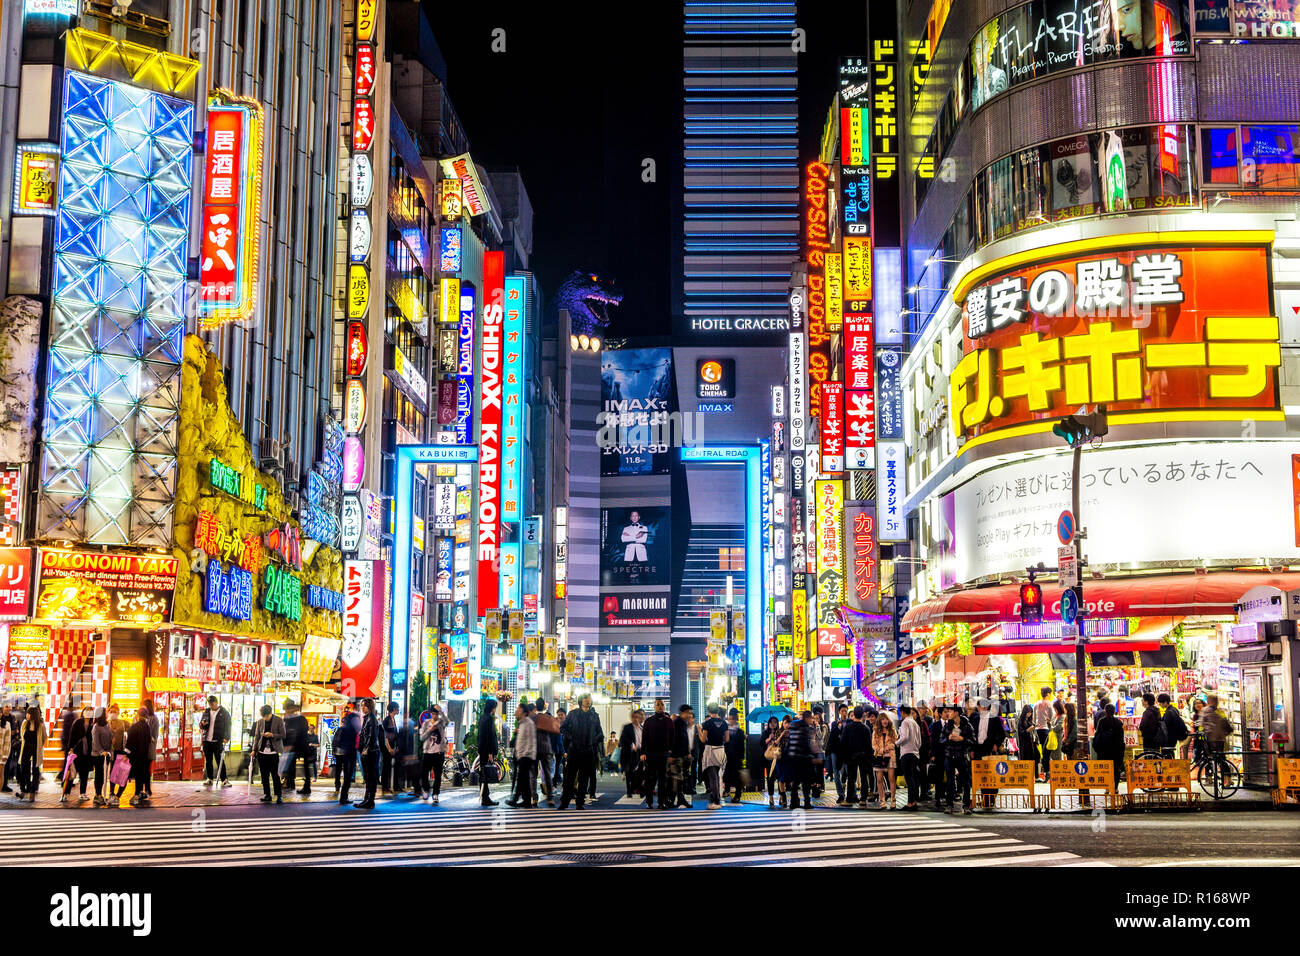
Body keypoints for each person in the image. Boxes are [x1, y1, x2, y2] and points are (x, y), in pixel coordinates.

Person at [558, 693, 604, 810]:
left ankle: (580, 803)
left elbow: (600, 733)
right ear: (580, 700)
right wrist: (571, 737)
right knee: (569, 778)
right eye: (584, 699)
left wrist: (593, 739)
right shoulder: (573, 714)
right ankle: (564, 802)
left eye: (589, 699)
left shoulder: (594, 716)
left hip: (588, 750)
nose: (587, 701)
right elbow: (562, 728)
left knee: (584, 779)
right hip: (574, 750)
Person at [640, 698, 674, 809]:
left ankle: (661, 802)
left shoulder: (669, 721)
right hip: (651, 753)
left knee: (663, 780)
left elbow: (673, 737)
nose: (660, 706)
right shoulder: (649, 721)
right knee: (650, 779)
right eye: (658, 704)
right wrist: (642, 753)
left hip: (664, 754)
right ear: (654, 707)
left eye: (662, 705)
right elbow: (644, 738)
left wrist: (671, 751)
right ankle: (649, 802)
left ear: (664, 707)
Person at [941, 703, 974, 815]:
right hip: (949, 756)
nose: (948, 714)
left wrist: (962, 739)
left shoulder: (967, 725)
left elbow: (973, 741)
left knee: (965, 781)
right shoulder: (947, 725)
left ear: (956, 713)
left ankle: (966, 805)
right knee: (950, 781)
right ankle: (949, 805)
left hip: (962, 756)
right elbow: (941, 740)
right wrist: (948, 738)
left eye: (950, 711)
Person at [250, 704, 285, 804]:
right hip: (262, 752)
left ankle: (279, 795)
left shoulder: (278, 720)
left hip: (274, 752)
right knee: (264, 775)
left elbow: (283, 735)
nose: (265, 718)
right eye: (264, 716)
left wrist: (272, 735)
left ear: (270, 713)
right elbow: (256, 737)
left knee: (275, 775)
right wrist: (254, 750)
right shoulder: (260, 722)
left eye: (267, 716)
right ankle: (267, 795)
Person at [783, 710, 816, 810]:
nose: (812, 720)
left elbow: (790, 741)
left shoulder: (793, 725)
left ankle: (793, 803)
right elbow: (806, 744)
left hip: (792, 757)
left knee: (795, 781)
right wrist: (812, 756)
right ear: (807, 718)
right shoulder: (806, 728)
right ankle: (807, 802)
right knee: (806, 782)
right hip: (803, 758)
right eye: (811, 718)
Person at [840, 707, 872, 806]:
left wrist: (844, 756)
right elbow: (868, 744)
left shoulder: (848, 727)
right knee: (863, 777)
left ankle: (849, 799)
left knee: (851, 778)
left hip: (851, 755)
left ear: (854, 714)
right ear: (862, 715)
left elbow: (843, 742)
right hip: (863, 755)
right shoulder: (865, 728)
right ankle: (863, 798)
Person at [699, 704, 729, 809]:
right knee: (716, 775)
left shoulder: (707, 723)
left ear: (708, 711)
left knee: (713, 778)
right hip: (720, 750)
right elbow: (727, 739)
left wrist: (699, 730)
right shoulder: (724, 723)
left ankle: (716, 801)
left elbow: (703, 740)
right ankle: (714, 798)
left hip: (711, 751)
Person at [508, 702, 537, 808]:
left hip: (526, 756)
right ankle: (526, 801)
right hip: (522, 755)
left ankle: (515, 799)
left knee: (521, 779)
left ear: (523, 712)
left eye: (518, 709)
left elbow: (530, 741)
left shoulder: (528, 723)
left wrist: (524, 754)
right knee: (524, 779)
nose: (516, 710)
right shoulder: (522, 723)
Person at [282, 701, 314, 796]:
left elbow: (292, 733)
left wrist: (288, 744)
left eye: (287, 709)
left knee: (299, 765)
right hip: (301, 745)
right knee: (301, 766)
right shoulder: (299, 718)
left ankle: (297, 785)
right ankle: (292, 783)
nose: (286, 711)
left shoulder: (294, 719)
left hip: (297, 745)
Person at [199, 695, 232, 788]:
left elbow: (228, 726)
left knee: (219, 760)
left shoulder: (224, 713)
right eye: (209, 704)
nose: (211, 706)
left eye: (212, 704)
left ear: (216, 703)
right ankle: (209, 778)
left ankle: (224, 779)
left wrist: (227, 737)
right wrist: (202, 724)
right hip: (207, 740)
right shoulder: (206, 712)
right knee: (208, 760)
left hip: (218, 740)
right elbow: (201, 725)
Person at [418, 705, 448, 804]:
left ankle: (435, 794)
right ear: (430, 714)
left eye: (436, 714)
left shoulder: (441, 722)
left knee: (438, 775)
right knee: (423, 773)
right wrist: (430, 730)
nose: (434, 716)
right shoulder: (426, 723)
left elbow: (447, 721)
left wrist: (442, 711)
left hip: (439, 753)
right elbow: (421, 738)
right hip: (427, 752)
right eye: (433, 714)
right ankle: (426, 790)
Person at [355, 698, 382, 809]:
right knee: (368, 777)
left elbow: (372, 736)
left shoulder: (372, 719)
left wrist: (366, 748)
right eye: (361, 706)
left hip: (371, 752)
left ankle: (370, 800)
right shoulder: (367, 718)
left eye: (364, 706)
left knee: (371, 777)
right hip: (368, 751)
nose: (362, 708)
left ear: (370, 707)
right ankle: (367, 799)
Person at [15, 706, 45, 802]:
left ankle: (32, 792)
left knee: (35, 770)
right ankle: (23, 790)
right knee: (24, 769)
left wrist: (39, 745)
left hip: (36, 750)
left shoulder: (40, 725)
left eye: (28, 713)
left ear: (33, 715)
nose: (26, 715)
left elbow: (44, 737)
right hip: (26, 749)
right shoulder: (25, 723)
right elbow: (22, 736)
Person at [334, 703, 361, 805]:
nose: (359, 723)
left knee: (347, 776)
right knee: (347, 776)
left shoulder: (345, 729)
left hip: (344, 754)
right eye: (357, 721)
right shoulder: (348, 730)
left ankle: (343, 796)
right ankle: (343, 797)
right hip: (347, 754)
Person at [125, 710, 153, 807]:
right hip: (144, 755)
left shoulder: (134, 727)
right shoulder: (147, 727)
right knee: (141, 774)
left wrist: (126, 754)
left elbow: (129, 742)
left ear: (138, 715)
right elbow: (149, 740)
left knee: (137, 775)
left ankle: (136, 795)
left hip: (135, 755)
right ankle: (140, 792)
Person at [670, 704, 696, 808]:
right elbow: (674, 740)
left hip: (683, 756)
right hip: (676, 756)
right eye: (688, 713)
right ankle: (675, 800)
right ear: (683, 713)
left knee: (679, 779)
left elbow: (684, 740)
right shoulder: (676, 723)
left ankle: (676, 800)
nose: (690, 715)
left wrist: (688, 753)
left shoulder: (683, 724)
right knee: (677, 779)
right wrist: (672, 755)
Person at [898, 705, 922, 810]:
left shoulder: (905, 722)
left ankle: (910, 803)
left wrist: (896, 743)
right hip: (915, 753)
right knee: (914, 779)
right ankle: (914, 801)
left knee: (909, 779)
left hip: (906, 753)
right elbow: (920, 742)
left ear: (902, 712)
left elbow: (904, 737)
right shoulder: (915, 723)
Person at [873, 711, 899, 809]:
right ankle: (882, 799)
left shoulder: (892, 730)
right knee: (879, 779)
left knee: (891, 778)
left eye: (886, 719)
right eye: (883, 719)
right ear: (880, 721)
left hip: (890, 756)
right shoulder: (876, 732)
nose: (885, 721)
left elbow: (896, 741)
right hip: (879, 756)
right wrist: (880, 749)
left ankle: (893, 799)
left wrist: (889, 746)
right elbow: (873, 745)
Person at [533, 699, 556, 806]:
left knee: (533, 774)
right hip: (546, 748)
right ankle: (550, 797)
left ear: (536, 706)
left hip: (534, 749)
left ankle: (534, 798)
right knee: (547, 773)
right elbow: (555, 731)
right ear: (544, 706)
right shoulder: (548, 718)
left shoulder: (532, 718)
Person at [1093, 703, 1126, 776]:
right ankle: (1116, 786)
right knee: (1116, 769)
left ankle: (1107, 786)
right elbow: (1121, 737)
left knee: (1106, 769)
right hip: (1116, 749)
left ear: (1105, 711)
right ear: (1114, 711)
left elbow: (1097, 734)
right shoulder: (1118, 722)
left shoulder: (1101, 721)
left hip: (1104, 749)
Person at [104, 704, 129, 803]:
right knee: (112, 773)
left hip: (120, 751)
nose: (113, 714)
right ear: (108, 713)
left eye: (115, 712)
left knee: (121, 773)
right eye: (111, 712)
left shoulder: (123, 723)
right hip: (110, 751)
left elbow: (129, 734)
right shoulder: (106, 724)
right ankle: (111, 792)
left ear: (118, 713)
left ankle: (117, 795)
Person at [619, 708, 645, 798]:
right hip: (630, 753)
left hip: (640, 752)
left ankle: (639, 789)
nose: (636, 719)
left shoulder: (642, 728)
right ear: (631, 717)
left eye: (637, 717)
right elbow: (623, 739)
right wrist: (631, 744)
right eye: (634, 717)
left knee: (640, 772)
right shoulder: (627, 727)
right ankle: (629, 791)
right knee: (629, 772)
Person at [826, 704, 849, 804]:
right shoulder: (835, 723)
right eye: (842, 711)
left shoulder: (850, 722)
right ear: (839, 712)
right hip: (836, 751)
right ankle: (841, 795)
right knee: (836, 774)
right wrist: (839, 728)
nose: (844, 713)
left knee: (849, 773)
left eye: (845, 711)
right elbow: (833, 735)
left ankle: (850, 794)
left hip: (847, 751)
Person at [722, 708, 745, 803]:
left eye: (734, 716)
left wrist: (741, 757)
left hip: (736, 757)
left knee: (737, 777)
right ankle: (727, 790)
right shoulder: (726, 729)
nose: (732, 718)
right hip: (728, 756)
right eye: (731, 716)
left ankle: (737, 795)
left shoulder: (740, 731)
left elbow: (741, 745)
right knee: (727, 774)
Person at [761, 716, 783, 808]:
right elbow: (761, 744)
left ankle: (782, 797)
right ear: (768, 724)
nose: (773, 724)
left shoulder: (780, 732)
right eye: (771, 722)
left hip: (778, 758)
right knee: (770, 778)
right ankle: (771, 797)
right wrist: (769, 739)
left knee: (780, 778)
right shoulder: (765, 733)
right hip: (769, 759)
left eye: (775, 722)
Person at [1033, 687, 1054, 782]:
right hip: (1045, 730)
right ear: (1048, 694)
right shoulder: (1049, 704)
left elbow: (1033, 719)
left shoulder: (1036, 704)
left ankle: (1041, 774)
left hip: (1037, 731)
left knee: (1040, 753)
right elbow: (1053, 718)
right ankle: (1047, 773)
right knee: (1046, 753)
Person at [1158, 693, 1188, 758]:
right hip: (1173, 738)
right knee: (1170, 754)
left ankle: (1171, 768)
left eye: (1160, 703)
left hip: (1169, 739)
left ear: (1165, 702)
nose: (1159, 704)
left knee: (1168, 755)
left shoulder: (1169, 712)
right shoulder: (1173, 709)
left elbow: (1168, 727)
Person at [381, 701, 400, 795]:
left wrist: (396, 747)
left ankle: (394, 786)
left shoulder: (393, 719)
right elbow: (385, 736)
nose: (398, 710)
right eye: (397, 708)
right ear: (393, 709)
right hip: (387, 748)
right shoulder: (387, 720)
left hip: (393, 747)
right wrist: (389, 748)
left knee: (393, 766)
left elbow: (394, 734)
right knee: (386, 767)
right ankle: (385, 787)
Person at [142, 701, 159, 799]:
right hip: (145, 748)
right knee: (145, 769)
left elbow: (152, 736)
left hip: (148, 748)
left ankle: (147, 789)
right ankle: (146, 789)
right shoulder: (150, 719)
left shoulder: (152, 719)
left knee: (146, 769)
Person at [57, 702, 76, 783]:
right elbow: (67, 730)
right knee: (68, 760)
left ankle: (62, 776)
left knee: (67, 760)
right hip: (68, 741)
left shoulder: (69, 714)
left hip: (67, 740)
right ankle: (63, 777)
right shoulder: (70, 715)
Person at [1049, 700, 1066, 764]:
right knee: (1053, 755)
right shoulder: (1055, 716)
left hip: (1059, 738)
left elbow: (1058, 727)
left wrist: (1051, 727)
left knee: (1058, 756)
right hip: (1053, 738)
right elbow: (1053, 724)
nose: (1055, 710)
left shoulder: (1063, 716)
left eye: (1055, 709)